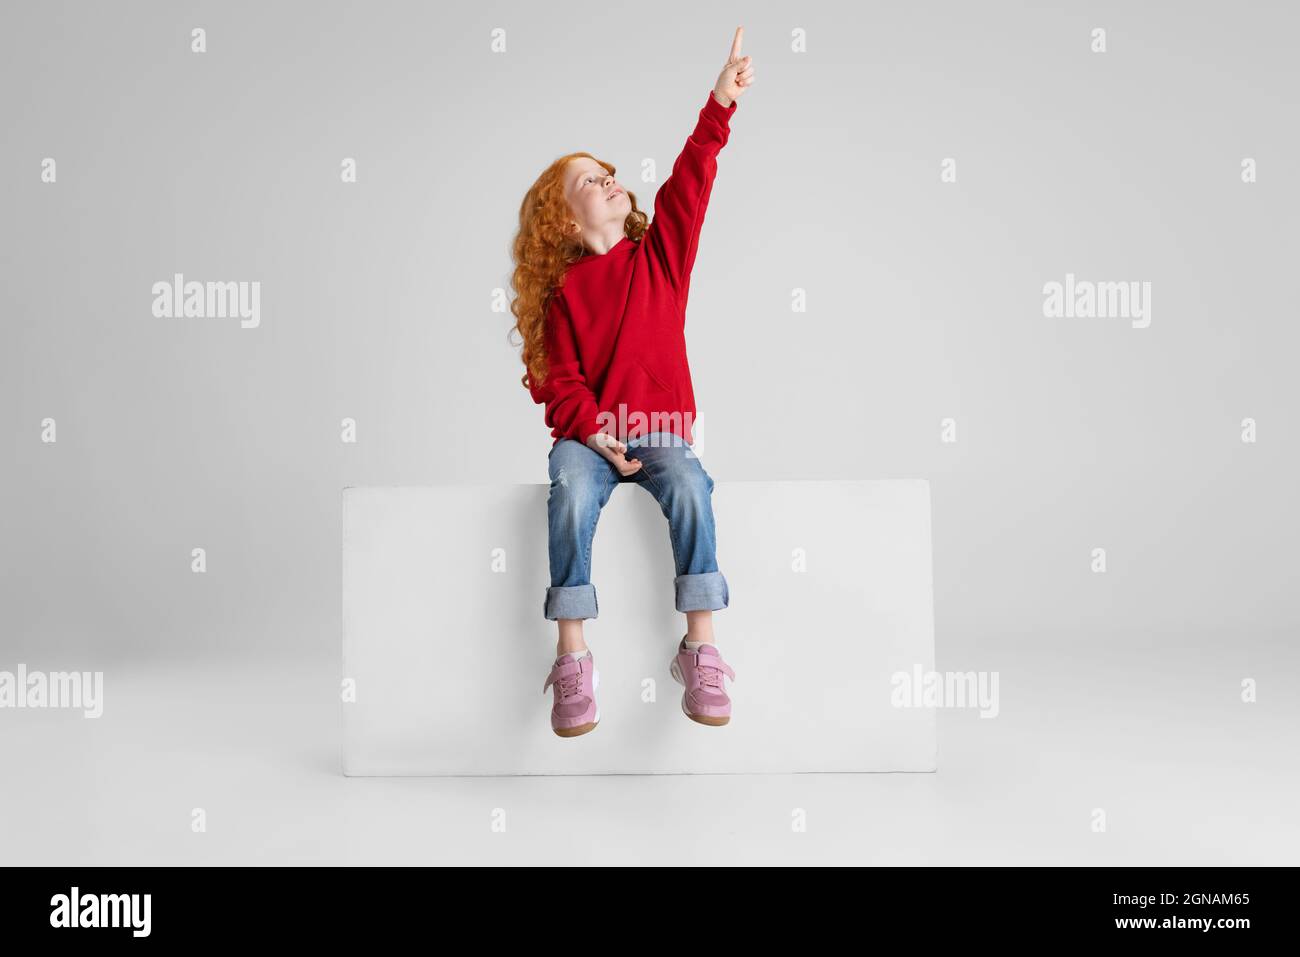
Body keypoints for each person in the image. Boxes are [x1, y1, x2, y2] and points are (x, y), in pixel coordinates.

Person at [511, 27, 754, 737]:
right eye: (590, 179)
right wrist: (593, 432)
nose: (609, 178)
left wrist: (719, 100)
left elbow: (693, 174)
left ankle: (701, 645)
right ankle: (572, 656)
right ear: (565, 214)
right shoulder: (563, 297)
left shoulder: (662, 257)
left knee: (688, 483)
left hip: (662, 434)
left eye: (608, 170)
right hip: (592, 439)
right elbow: (561, 383)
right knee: (571, 482)